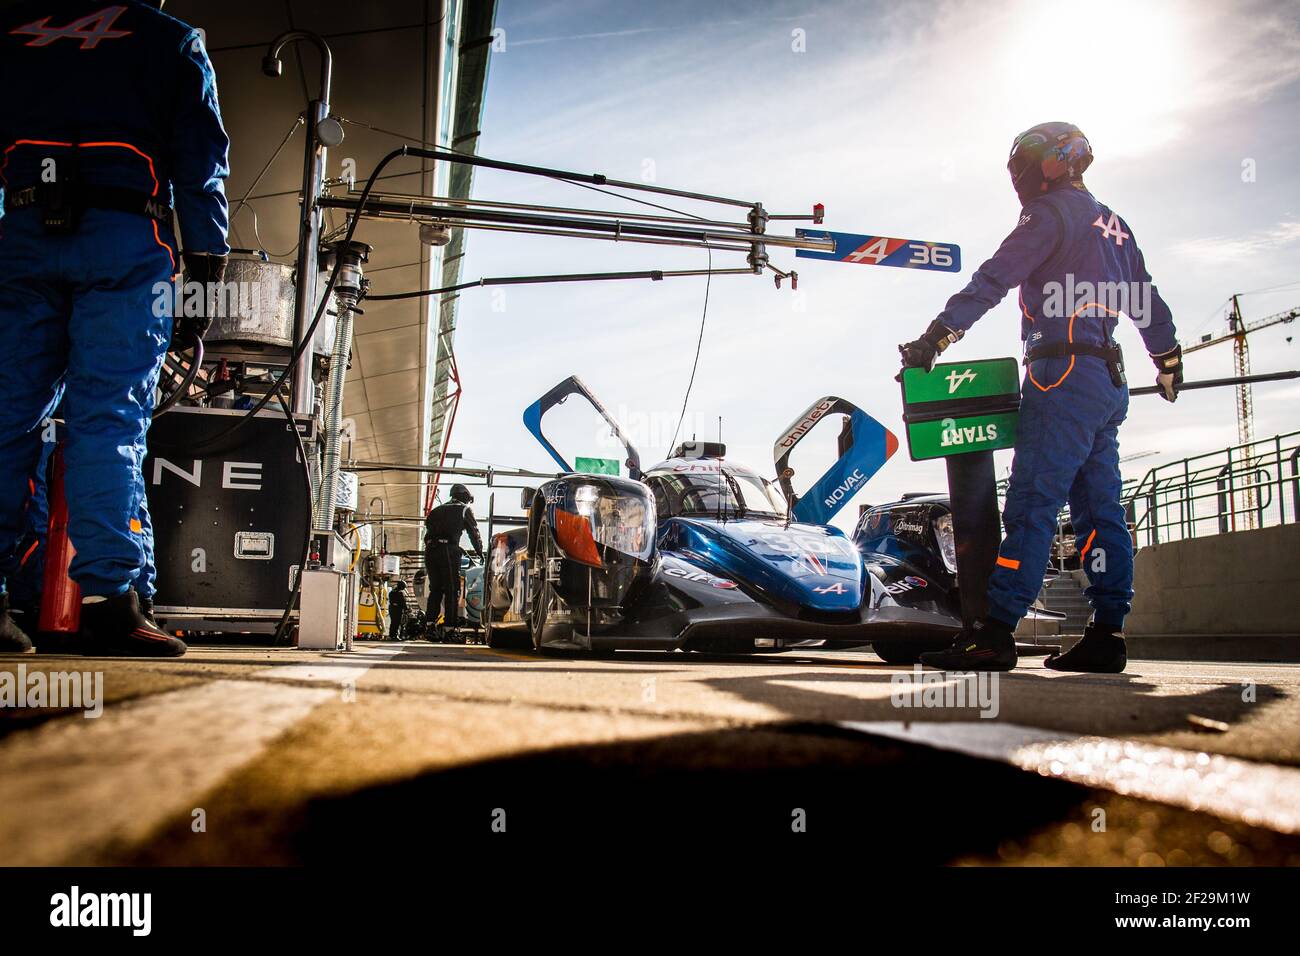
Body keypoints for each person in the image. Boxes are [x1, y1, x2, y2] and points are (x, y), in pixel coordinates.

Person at [898, 122, 1181, 674]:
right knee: (1101, 512)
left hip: (1061, 373)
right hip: (1107, 380)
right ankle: (1108, 634)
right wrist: (1167, 361)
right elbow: (1148, 302)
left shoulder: (1048, 215)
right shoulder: (1115, 225)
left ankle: (994, 632)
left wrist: (937, 336)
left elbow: (994, 278)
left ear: (1045, 166)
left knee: (1031, 503)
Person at [0, 0, 230, 656]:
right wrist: (204, 279)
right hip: (126, 238)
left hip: (20, 232)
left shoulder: (12, 32)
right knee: (107, 422)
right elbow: (201, 163)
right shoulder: (171, 39)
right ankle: (109, 605)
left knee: (6, 416)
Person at [423, 484, 484, 641]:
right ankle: (450, 630)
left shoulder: (436, 510)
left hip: (430, 550)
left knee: (435, 589)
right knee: (452, 589)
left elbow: (428, 529)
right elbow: (474, 533)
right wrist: (480, 552)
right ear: (464, 496)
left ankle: (430, 627)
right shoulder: (464, 509)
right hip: (447, 551)